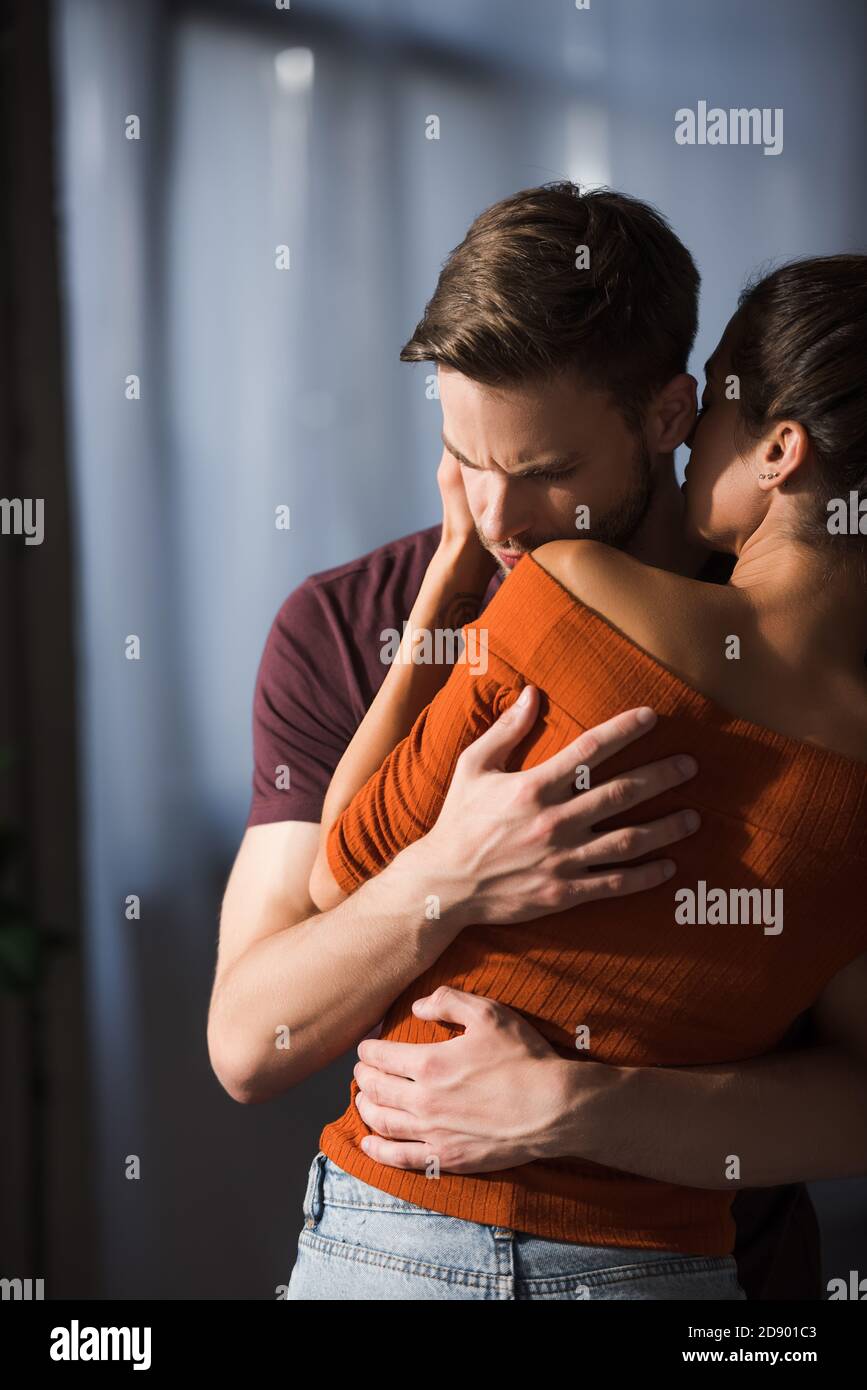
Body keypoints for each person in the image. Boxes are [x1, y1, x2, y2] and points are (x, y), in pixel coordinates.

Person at [207, 186, 867, 1300]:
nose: (500, 519)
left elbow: (856, 1084)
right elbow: (248, 1040)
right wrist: (452, 874)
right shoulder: (330, 630)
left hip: (724, 1275)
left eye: (548, 473)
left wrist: (574, 1104)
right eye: (466, 457)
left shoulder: (762, 627)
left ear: (671, 416)